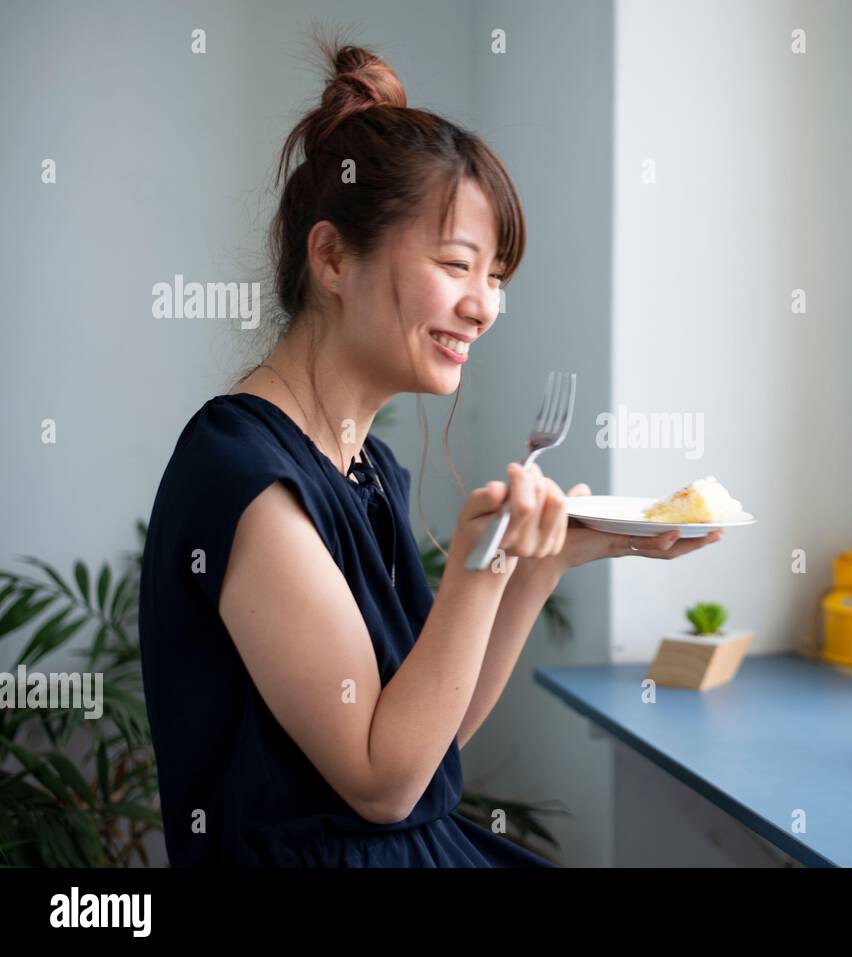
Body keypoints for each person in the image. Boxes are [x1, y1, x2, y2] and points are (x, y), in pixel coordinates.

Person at [137, 35, 723, 867]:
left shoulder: (367, 470)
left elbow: (428, 738)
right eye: (458, 265)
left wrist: (539, 565)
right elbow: (384, 782)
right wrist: (478, 570)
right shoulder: (243, 477)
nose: (484, 308)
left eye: (497, 280)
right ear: (334, 257)